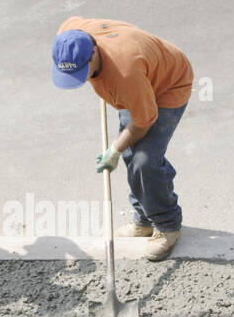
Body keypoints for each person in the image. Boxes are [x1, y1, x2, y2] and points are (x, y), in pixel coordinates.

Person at [50, 18, 193, 261]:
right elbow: (73, 21)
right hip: (136, 76)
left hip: (168, 84)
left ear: (94, 53)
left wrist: (114, 149)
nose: (82, 79)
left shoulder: (125, 75)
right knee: (131, 155)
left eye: (82, 72)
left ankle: (169, 226)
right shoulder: (70, 35)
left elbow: (143, 122)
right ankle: (144, 220)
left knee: (145, 162)